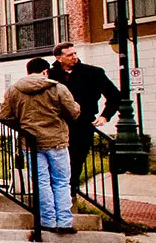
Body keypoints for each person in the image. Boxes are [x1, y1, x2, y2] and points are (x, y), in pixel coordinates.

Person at [1, 58, 81, 233]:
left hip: (30, 142)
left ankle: (48, 220)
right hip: (57, 140)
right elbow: (73, 113)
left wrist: (21, 126)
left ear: (28, 71)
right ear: (45, 71)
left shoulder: (14, 90)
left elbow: (5, 116)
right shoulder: (57, 88)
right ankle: (65, 222)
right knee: (61, 182)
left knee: (41, 182)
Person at [49, 42, 121, 194]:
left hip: (83, 122)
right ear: (59, 58)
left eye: (75, 53)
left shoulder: (92, 73)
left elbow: (114, 95)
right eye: (69, 55)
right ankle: (57, 191)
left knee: (77, 158)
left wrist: (105, 116)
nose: (74, 57)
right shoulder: (50, 75)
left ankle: (71, 190)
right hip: (57, 123)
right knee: (56, 160)